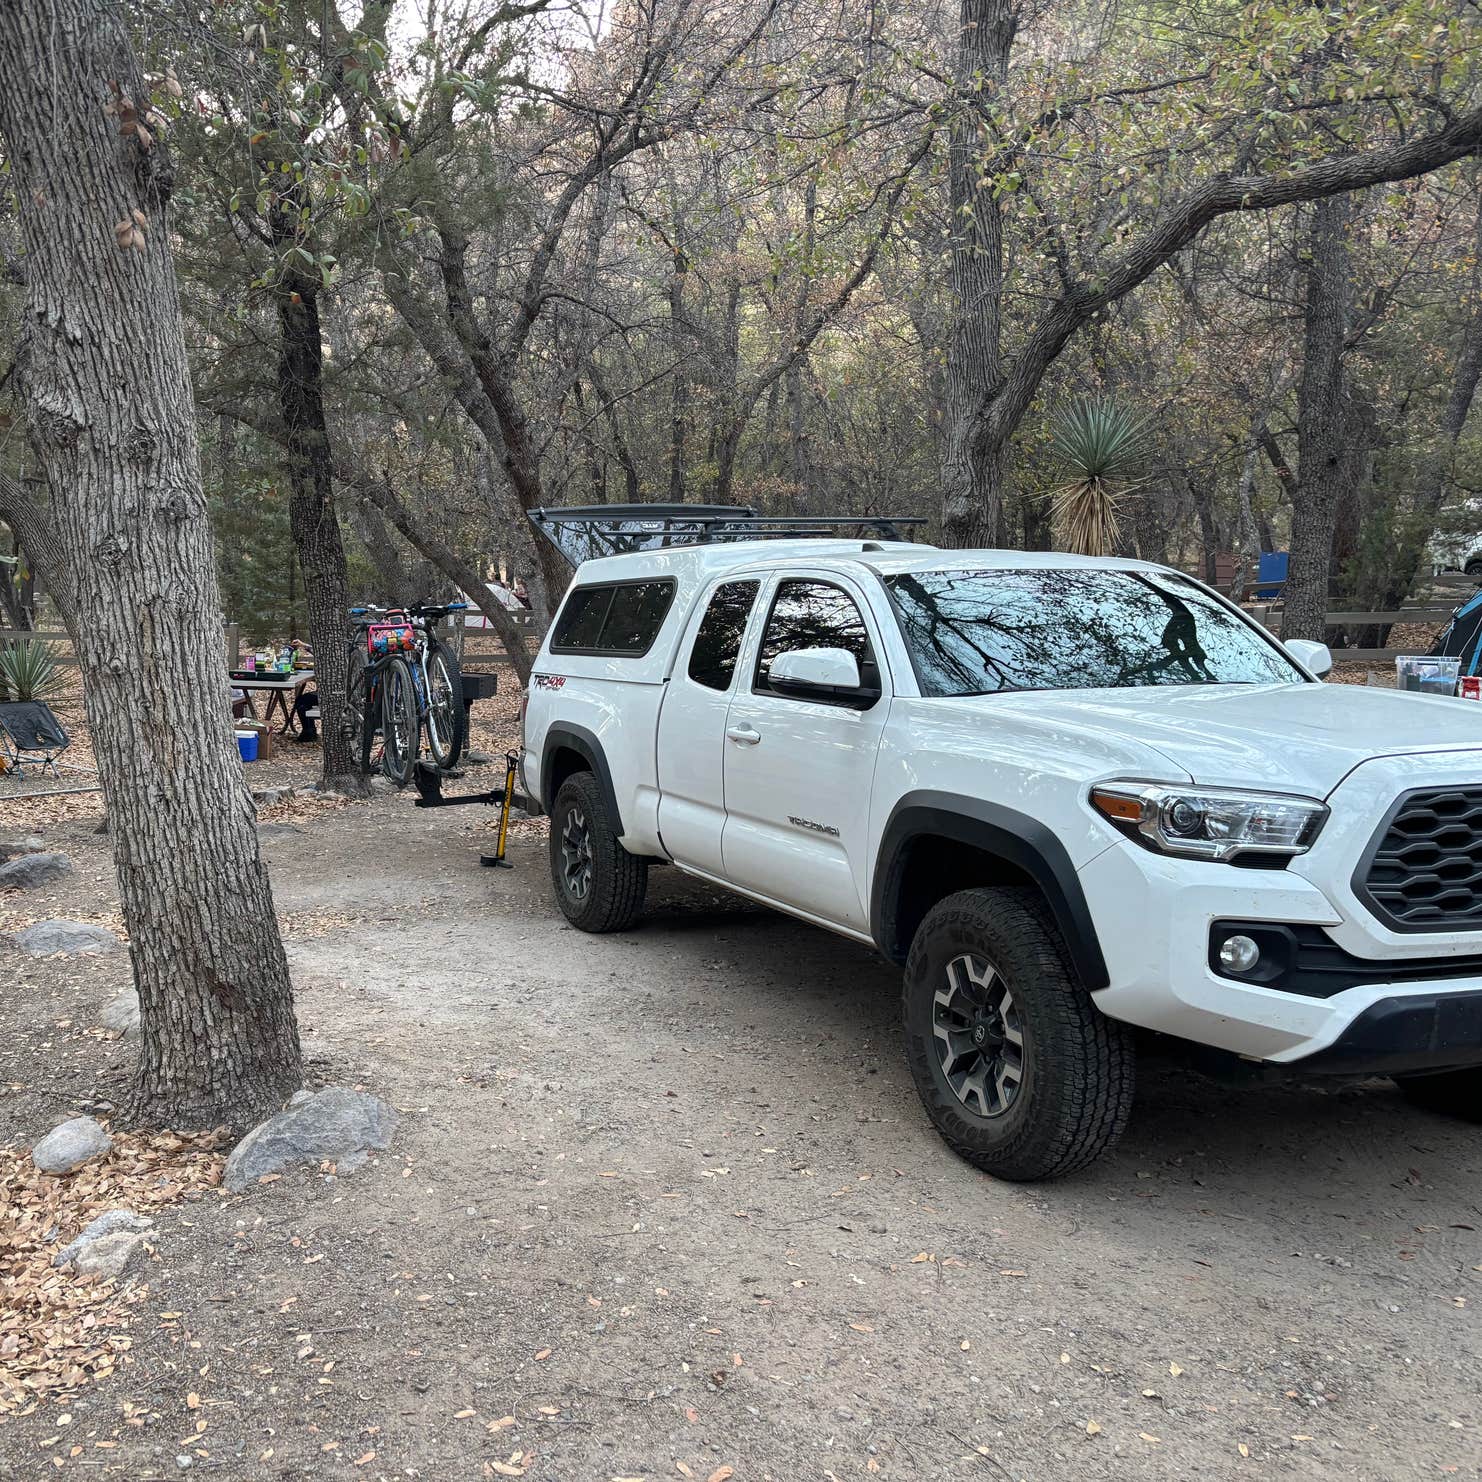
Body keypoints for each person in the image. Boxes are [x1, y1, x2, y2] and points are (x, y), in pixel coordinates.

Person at [287, 639, 319, 743]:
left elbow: (317, 651)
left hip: (328, 695)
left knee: (301, 701)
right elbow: (316, 651)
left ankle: (308, 732)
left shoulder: (329, 657)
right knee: (304, 699)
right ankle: (311, 731)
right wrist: (303, 644)